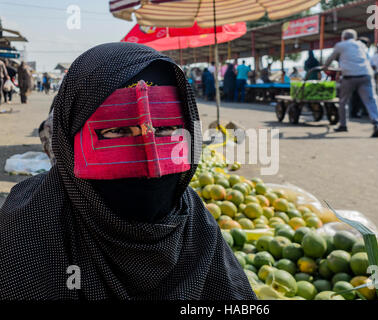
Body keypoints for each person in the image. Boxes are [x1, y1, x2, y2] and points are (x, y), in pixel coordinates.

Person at [0, 42, 256, 300]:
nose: (153, 169)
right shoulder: (26, 227)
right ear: (69, 139)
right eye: (117, 131)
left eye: (165, 130)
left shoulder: (196, 221)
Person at [324, 29, 378, 138]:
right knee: (371, 100)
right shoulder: (361, 45)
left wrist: (325, 66)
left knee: (343, 101)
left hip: (349, 76)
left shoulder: (340, 45)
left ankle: (343, 125)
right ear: (354, 38)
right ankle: (377, 124)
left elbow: (330, 58)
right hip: (366, 75)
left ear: (343, 37)